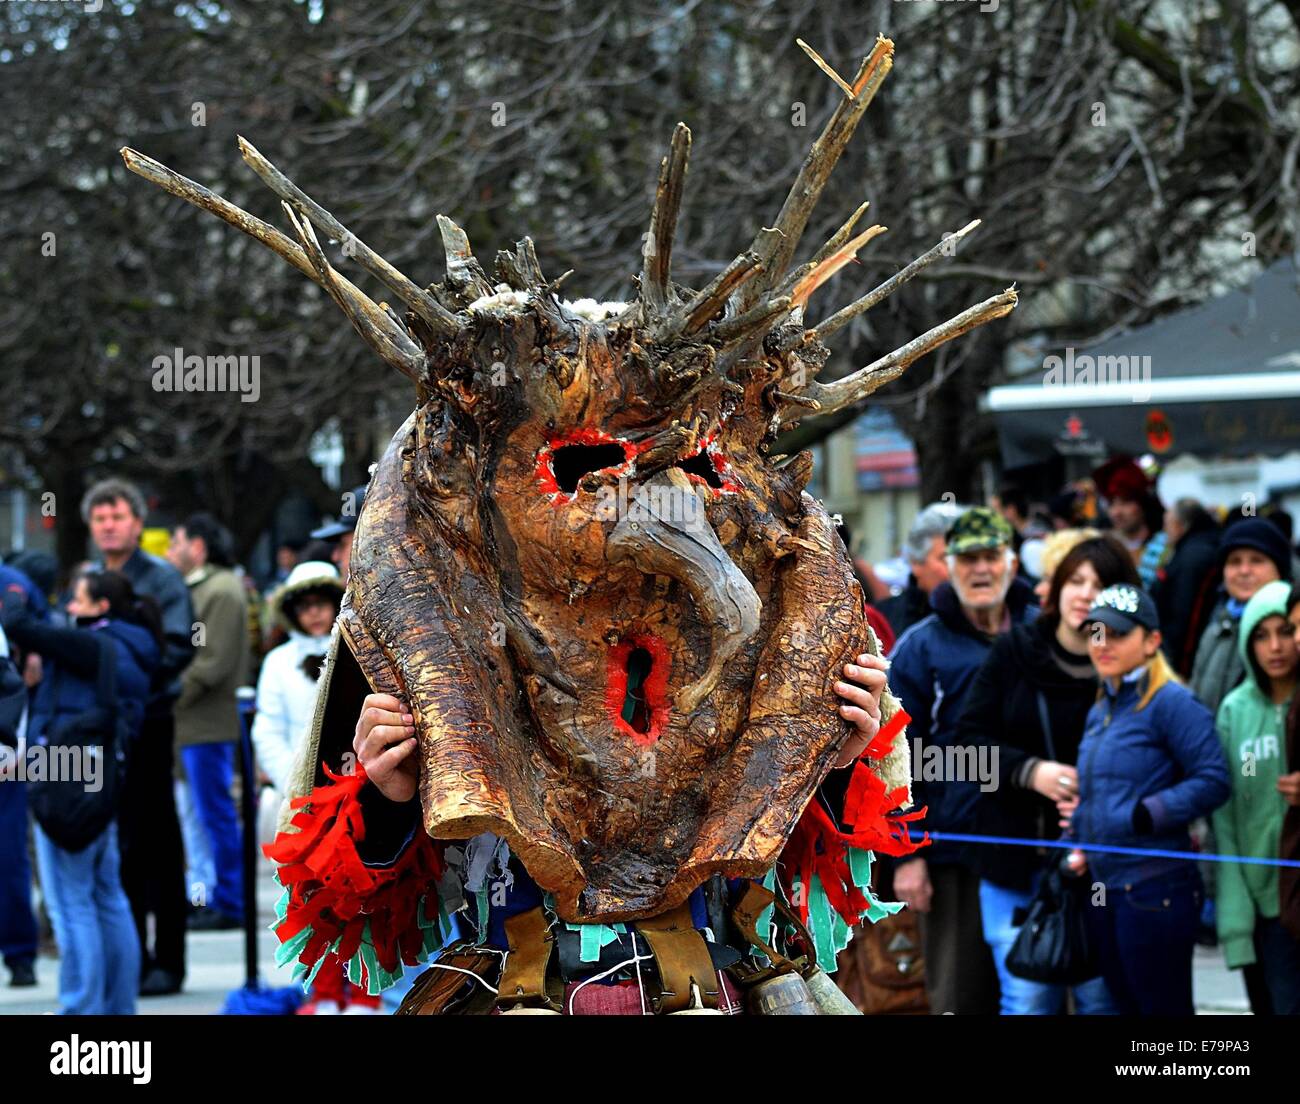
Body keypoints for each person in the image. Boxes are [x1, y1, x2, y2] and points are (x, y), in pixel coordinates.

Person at [957, 534, 1138, 1014]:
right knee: (1028, 1001)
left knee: (1103, 1001)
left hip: (1103, 869)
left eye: (1101, 585)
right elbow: (957, 752)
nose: (1085, 594)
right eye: (1076, 580)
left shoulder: (1134, 669)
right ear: (1055, 588)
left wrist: (1101, 795)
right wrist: (1028, 772)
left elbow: (1167, 764)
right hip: (1017, 864)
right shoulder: (1013, 653)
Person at [887, 506, 1038, 1014]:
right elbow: (894, 758)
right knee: (962, 994)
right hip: (954, 853)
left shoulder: (1045, 632)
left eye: (991, 556)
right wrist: (908, 856)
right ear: (948, 567)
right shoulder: (920, 648)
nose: (981, 569)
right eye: (967, 558)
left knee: (1044, 987)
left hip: (1038, 846)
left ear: (1011, 563)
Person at [1060, 583, 1230, 1015]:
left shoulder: (1173, 702)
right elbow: (1103, 792)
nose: (1103, 643)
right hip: (1105, 888)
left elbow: (1214, 778)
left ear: (1152, 641)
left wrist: (1147, 813)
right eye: (1095, 632)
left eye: (1118, 633)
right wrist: (1080, 836)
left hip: (1157, 890)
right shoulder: (1102, 708)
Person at [1, 569, 161, 1014]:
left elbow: (19, 625)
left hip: (67, 768)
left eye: (77, 601)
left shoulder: (94, 642)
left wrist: (14, 589)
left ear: (100, 609)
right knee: (106, 893)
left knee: (70, 901)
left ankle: (80, 1011)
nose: (67, 609)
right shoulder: (131, 643)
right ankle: (115, 1008)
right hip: (100, 770)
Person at [81, 478, 194, 996]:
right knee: (118, 843)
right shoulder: (89, 578)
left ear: (135, 522)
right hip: (104, 727)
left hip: (148, 721)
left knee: (158, 840)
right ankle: (132, 956)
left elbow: (175, 649)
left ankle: (168, 959)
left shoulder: (161, 578)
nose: (108, 526)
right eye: (99, 518)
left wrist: (127, 676)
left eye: (117, 516)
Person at [251, 561, 374, 1013]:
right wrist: (299, 786)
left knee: (361, 894)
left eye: (322, 604)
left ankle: (365, 991)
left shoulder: (360, 652)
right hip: (302, 801)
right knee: (310, 900)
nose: (315, 615)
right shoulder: (278, 663)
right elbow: (268, 729)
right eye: (305, 607)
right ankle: (321, 991)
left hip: (357, 795)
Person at [1212, 580, 1300, 1013]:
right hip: (1261, 898)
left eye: (1285, 631)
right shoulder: (1235, 711)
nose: (1276, 647)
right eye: (1261, 636)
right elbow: (1227, 814)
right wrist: (1235, 898)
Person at [168, 513, 249, 931]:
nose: (168, 551)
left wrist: (167, 692)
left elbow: (211, 663)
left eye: (174, 541)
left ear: (196, 546)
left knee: (213, 814)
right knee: (193, 818)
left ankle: (230, 900)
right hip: (188, 723)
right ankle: (204, 893)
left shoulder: (220, 590)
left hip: (206, 723)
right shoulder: (199, 588)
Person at [878, 501, 964, 643]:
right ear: (916, 563)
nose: (959, 567)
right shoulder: (884, 621)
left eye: (965, 558)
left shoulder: (994, 618)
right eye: (946, 558)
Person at [1154, 498, 1221, 676]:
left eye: (1167, 524)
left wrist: (1177, 667)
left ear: (1180, 525)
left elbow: (1186, 615)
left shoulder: (1193, 557)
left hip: (1184, 661)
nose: (1164, 531)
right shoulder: (1193, 548)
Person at [1093, 456, 1166, 589]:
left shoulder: (1166, 548)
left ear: (1143, 505)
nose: (1116, 512)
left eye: (1125, 502)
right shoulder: (1103, 547)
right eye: (1111, 504)